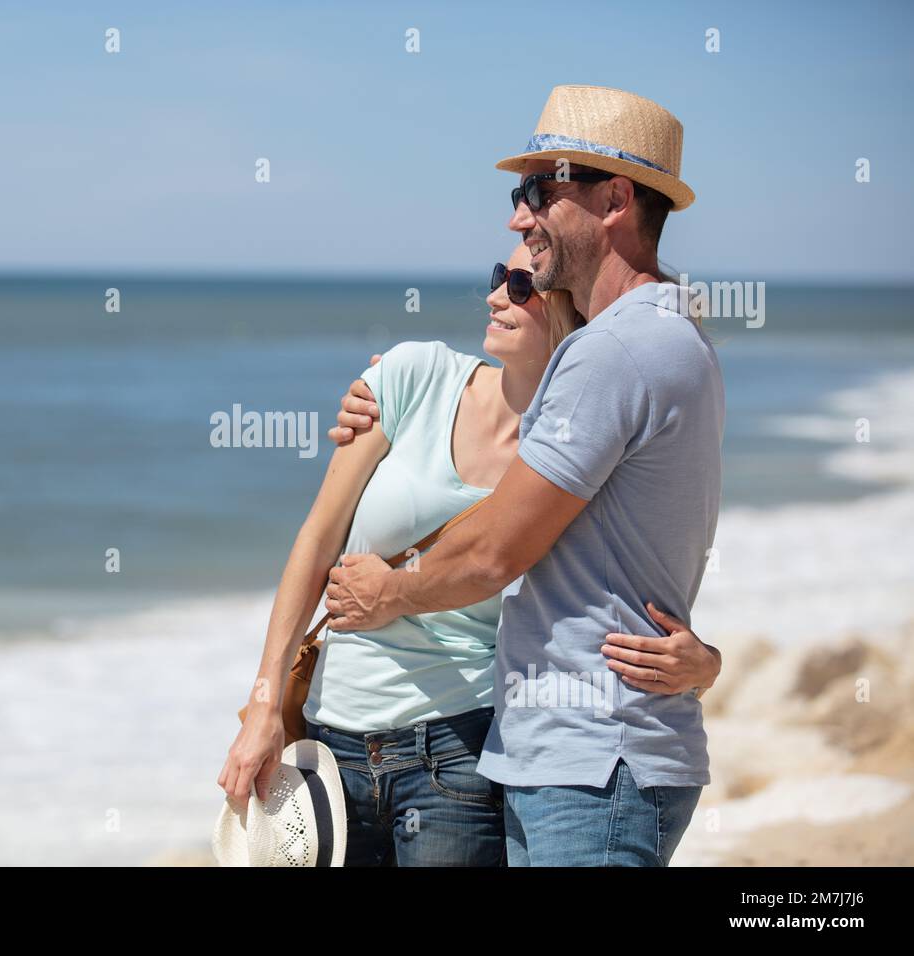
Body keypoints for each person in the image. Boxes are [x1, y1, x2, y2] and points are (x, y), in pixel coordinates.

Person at [218, 237, 722, 866]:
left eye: (520, 285)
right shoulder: (411, 376)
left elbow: (617, 576)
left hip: (460, 754)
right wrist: (264, 705)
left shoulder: (575, 450)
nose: (493, 297)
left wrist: (702, 663)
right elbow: (316, 539)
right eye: (496, 277)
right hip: (328, 741)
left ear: (569, 309)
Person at [322, 85, 724, 866]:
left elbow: (494, 553)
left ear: (614, 198)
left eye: (542, 191)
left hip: (593, 765)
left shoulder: (616, 351)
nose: (519, 216)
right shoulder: (672, 334)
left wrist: (388, 592)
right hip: (582, 757)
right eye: (519, 193)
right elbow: (626, 545)